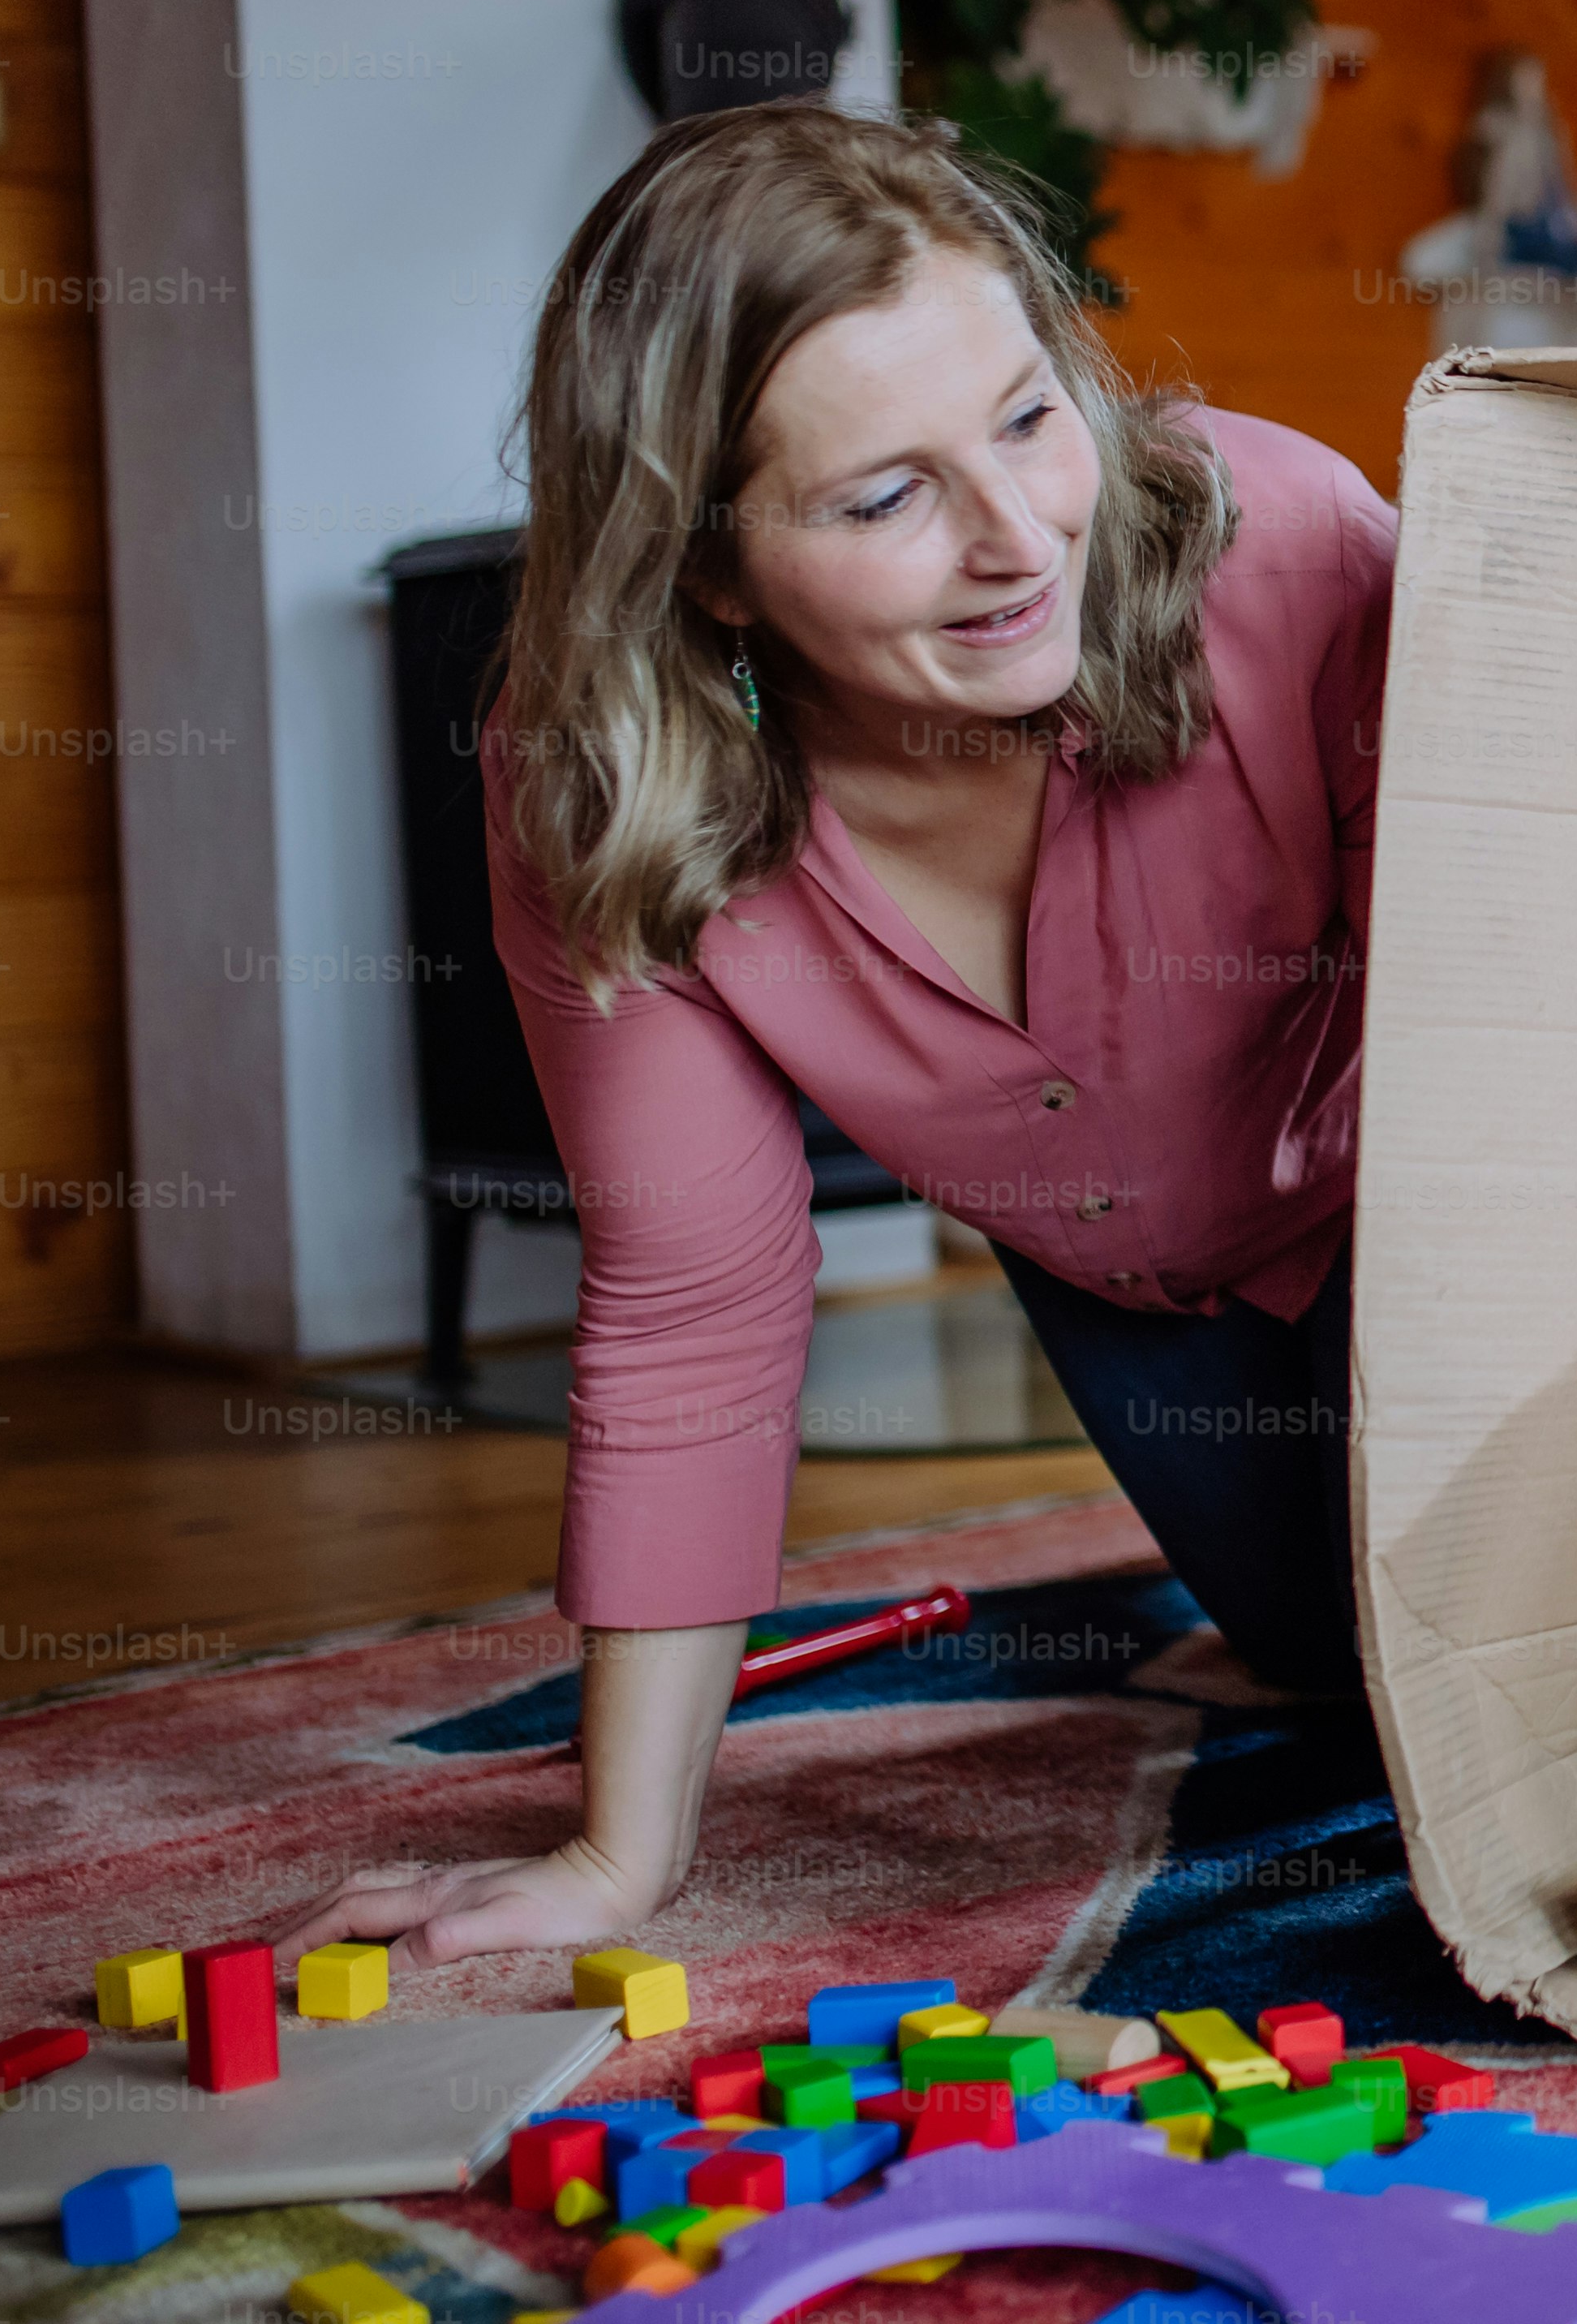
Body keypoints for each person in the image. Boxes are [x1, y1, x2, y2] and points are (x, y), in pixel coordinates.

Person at [280, 101, 1395, 1972]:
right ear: (706, 568)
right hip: (1145, 1311)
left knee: (1575, 1690)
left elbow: (1540, 1042)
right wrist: (619, 1859)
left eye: (1031, 417)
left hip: (1436, 1218)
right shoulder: (599, 789)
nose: (1018, 536)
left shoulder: (1287, 550)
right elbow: (690, 1306)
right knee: (1335, 1664)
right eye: (882, 498)